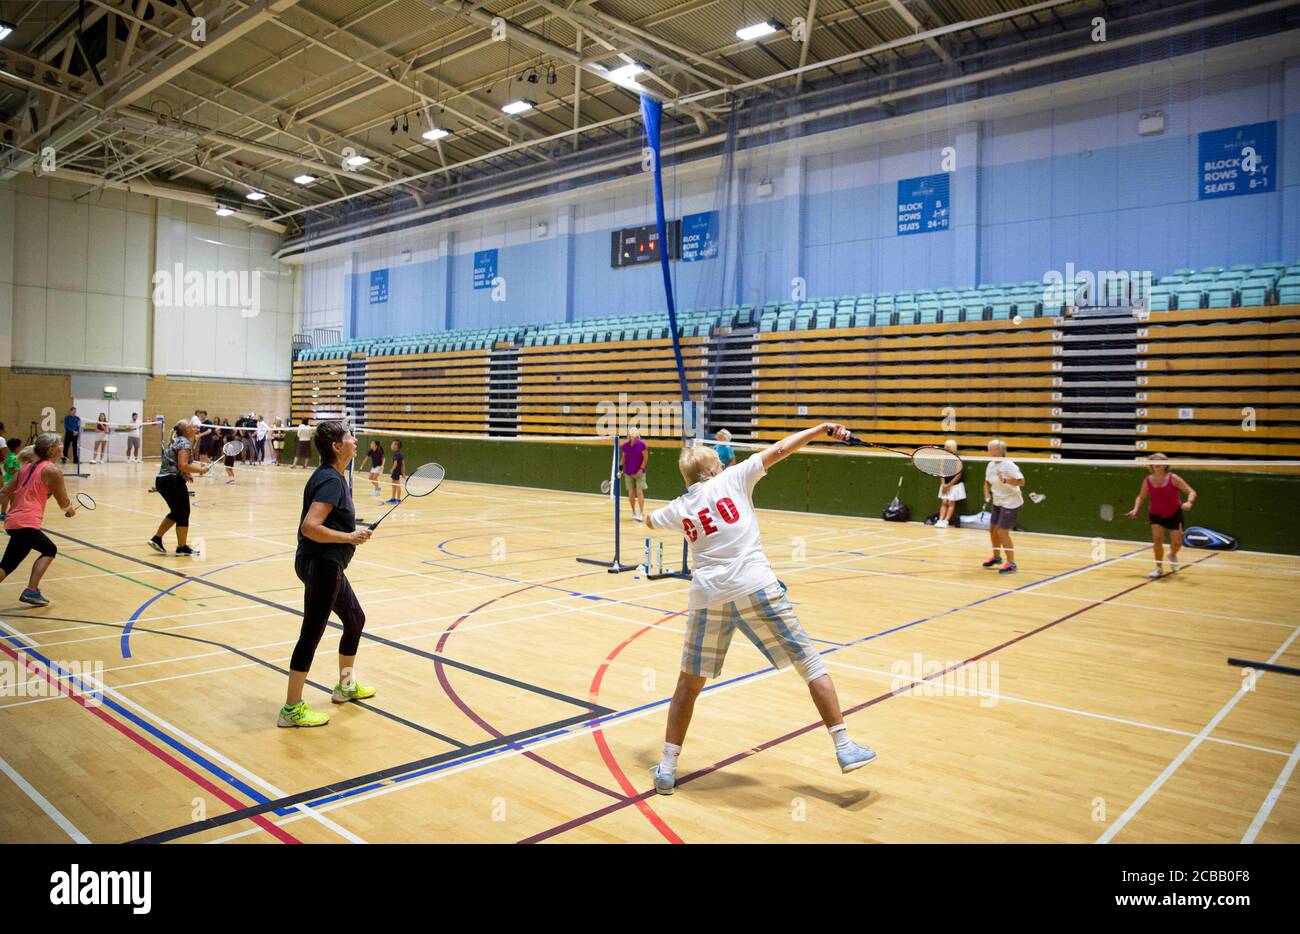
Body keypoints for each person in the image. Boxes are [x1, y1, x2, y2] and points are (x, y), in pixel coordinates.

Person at [644, 424, 876, 795]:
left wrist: (645, 500)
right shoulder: (735, 477)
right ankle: (845, 747)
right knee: (811, 665)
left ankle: (667, 768)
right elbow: (782, 447)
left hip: (707, 598)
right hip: (756, 586)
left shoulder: (679, 507)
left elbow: (649, 520)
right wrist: (819, 429)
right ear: (716, 469)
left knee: (688, 684)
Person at [279, 419, 375, 728]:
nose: (355, 440)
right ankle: (291, 709)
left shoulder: (333, 476)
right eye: (349, 437)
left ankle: (346, 686)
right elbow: (311, 527)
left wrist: (349, 533)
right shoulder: (331, 480)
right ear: (336, 446)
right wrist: (349, 537)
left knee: (355, 619)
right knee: (312, 632)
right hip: (321, 563)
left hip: (325, 563)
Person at [0, 433, 75, 607]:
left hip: (13, 521)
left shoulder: (26, 467)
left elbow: (4, 492)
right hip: (27, 524)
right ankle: (31, 591)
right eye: (59, 444)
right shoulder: (53, 471)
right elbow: (63, 502)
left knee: (8, 564)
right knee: (49, 550)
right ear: (51, 450)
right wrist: (70, 511)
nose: (62, 446)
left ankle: (32, 591)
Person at [1126, 453, 1197, 579]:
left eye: (1160, 461)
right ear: (1151, 465)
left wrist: (1189, 502)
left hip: (1174, 513)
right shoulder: (1147, 480)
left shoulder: (1173, 478)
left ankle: (1172, 554)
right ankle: (1158, 568)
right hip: (1156, 514)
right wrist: (1135, 508)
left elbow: (1191, 491)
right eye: (1154, 462)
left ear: (1165, 464)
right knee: (1157, 540)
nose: (1157, 464)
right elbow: (1141, 497)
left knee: (1177, 543)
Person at [148, 419, 208, 556]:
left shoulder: (177, 441)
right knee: (183, 513)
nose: (195, 427)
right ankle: (182, 548)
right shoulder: (185, 443)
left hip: (163, 480)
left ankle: (157, 539)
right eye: (192, 425)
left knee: (176, 512)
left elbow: (176, 463)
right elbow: (183, 464)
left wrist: (185, 473)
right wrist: (200, 470)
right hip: (172, 481)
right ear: (186, 431)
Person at [982, 439, 1024, 574]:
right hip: (997, 501)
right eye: (989, 449)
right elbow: (987, 482)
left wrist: (1006, 480)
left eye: (992, 449)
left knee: (1002, 532)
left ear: (1000, 451)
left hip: (1011, 502)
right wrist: (987, 494)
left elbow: (1022, 482)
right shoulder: (990, 465)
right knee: (993, 530)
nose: (990, 451)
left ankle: (1011, 564)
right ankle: (996, 557)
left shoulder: (1009, 465)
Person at [620, 426, 649, 522]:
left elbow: (645, 458)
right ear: (630, 436)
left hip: (640, 473)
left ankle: (641, 513)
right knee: (631, 493)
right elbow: (623, 459)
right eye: (633, 436)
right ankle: (634, 512)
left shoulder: (642, 445)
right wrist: (620, 469)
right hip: (628, 472)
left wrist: (641, 469)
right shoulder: (625, 446)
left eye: (636, 436)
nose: (635, 438)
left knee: (639, 492)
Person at [935, 439, 965, 528]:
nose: (945, 448)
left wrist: (949, 485)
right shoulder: (943, 459)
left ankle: (946, 521)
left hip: (954, 485)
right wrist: (943, 484)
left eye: (947, 447)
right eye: (945, 446)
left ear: (952, 448)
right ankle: (940, 520)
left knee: (951, 502)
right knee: (944, 502)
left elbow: (958, 475)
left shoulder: (957, 459)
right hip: (945, 485)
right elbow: (941, 472)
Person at [0, 437, 22, 520]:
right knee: (14, 498)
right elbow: (10, 468)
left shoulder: (8, 456)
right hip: (12, 481)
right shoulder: (14, 457)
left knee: (7, 498)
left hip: (7, 480)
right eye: (20, 446)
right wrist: (21, 471)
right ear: (17, 447)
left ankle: (3, 514)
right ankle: (11, 514)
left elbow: (6, 467)